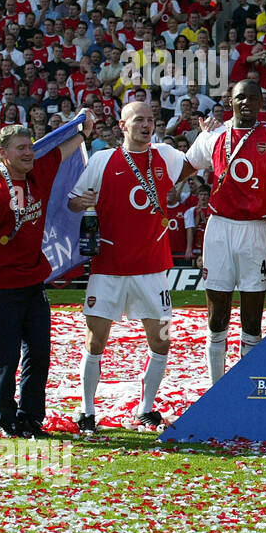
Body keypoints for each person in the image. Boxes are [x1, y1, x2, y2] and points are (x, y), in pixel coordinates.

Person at [66, 102, 192, 432]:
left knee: (162, 341)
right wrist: (83, 202)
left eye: (151, 120)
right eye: (139, 120)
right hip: (108, 268)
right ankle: (87, 411)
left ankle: (146, 408)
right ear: (123, 125)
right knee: (95, 341)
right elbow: (73, 200)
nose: (146, 125)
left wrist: (209, 134)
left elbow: (195, 164)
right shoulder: (102, 160)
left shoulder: (166, 154)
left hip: (152, 271)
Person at [0, 116, 94, 437]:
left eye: (30, 146)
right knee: (6, 358)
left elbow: (62, 151)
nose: (29, 152)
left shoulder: (38, 172)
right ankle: (7, 418)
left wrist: (83, 129)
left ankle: (31, 418)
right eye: (21, 148)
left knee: (39, 352)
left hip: (32, 284)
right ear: (2, 154)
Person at [185, 79, 266, 384]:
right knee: (217, 316)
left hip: (256, 230)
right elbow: (185, 167)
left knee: (252, 318)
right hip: (219, 229)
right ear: (230, 102)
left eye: (252, 98)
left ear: (262, 104)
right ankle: (215, 387)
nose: (246, 103)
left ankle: (245, 386)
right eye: (240, 97)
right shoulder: (214, 135)